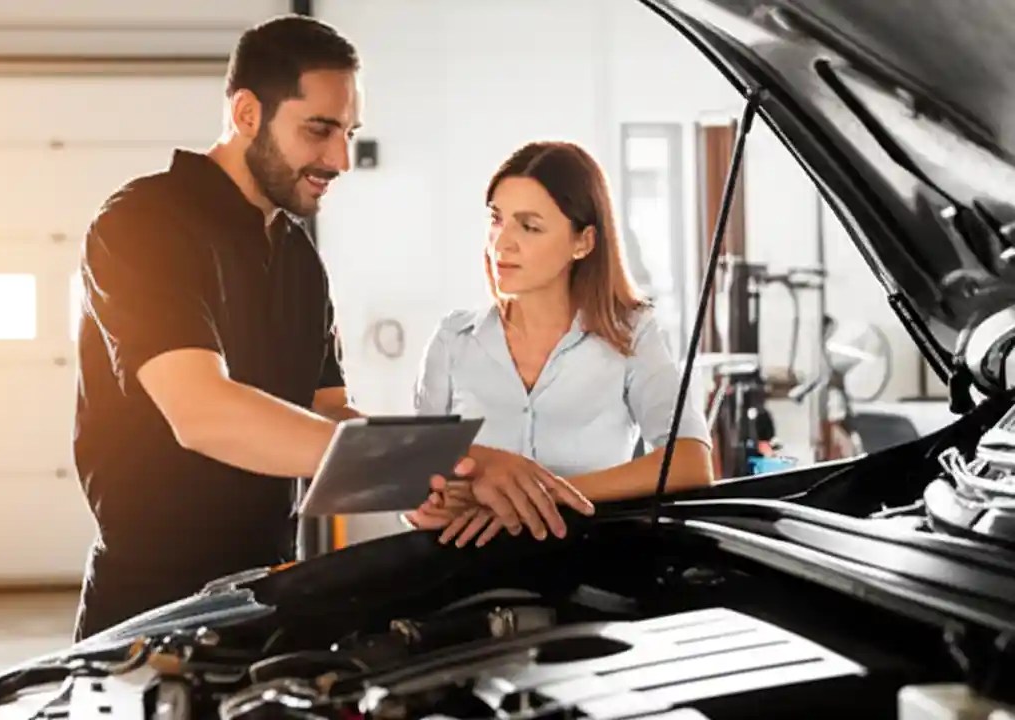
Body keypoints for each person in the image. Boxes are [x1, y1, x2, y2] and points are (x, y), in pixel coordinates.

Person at [72, 17, 589, 641]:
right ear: (245, 113)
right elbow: (201, 412)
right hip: (148, 610)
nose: (340, 159)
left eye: (349, 133)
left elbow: (330, 412)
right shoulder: (143, 224)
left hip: (268, 594)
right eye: (319, 130)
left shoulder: (297, 257)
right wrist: (447, 454)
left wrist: (421, 483)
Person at [407, 141, 714, 547]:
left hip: (590, 571)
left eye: (529, 226)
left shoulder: (632, 334)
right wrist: (427, 504)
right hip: (464, 580)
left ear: (583, 242)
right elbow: (412, 481)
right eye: (497, 219)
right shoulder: (453, 339)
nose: (501, 243)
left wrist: (541, 493)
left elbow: (690, 463)